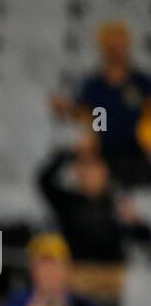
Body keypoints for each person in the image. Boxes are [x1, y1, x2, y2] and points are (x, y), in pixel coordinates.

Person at [36, 137, 150, 272]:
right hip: (77, 272)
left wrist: (135, 223)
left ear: (105, 172)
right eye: (85, 169)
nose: (91, 175)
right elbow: (44, 180)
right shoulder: (67, 201)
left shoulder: (117, 204)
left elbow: (141, 238)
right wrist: (70, 151)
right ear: (78, 173)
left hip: (112, 274)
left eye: (96, 169)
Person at [58, 21, 151, 186]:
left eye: (120, 45)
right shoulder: (94, 85)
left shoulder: (141, 82)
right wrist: (66, 110)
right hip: (103, 156)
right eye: (111, 46)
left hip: (138, 154)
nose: (116, 51)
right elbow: (87, 117)